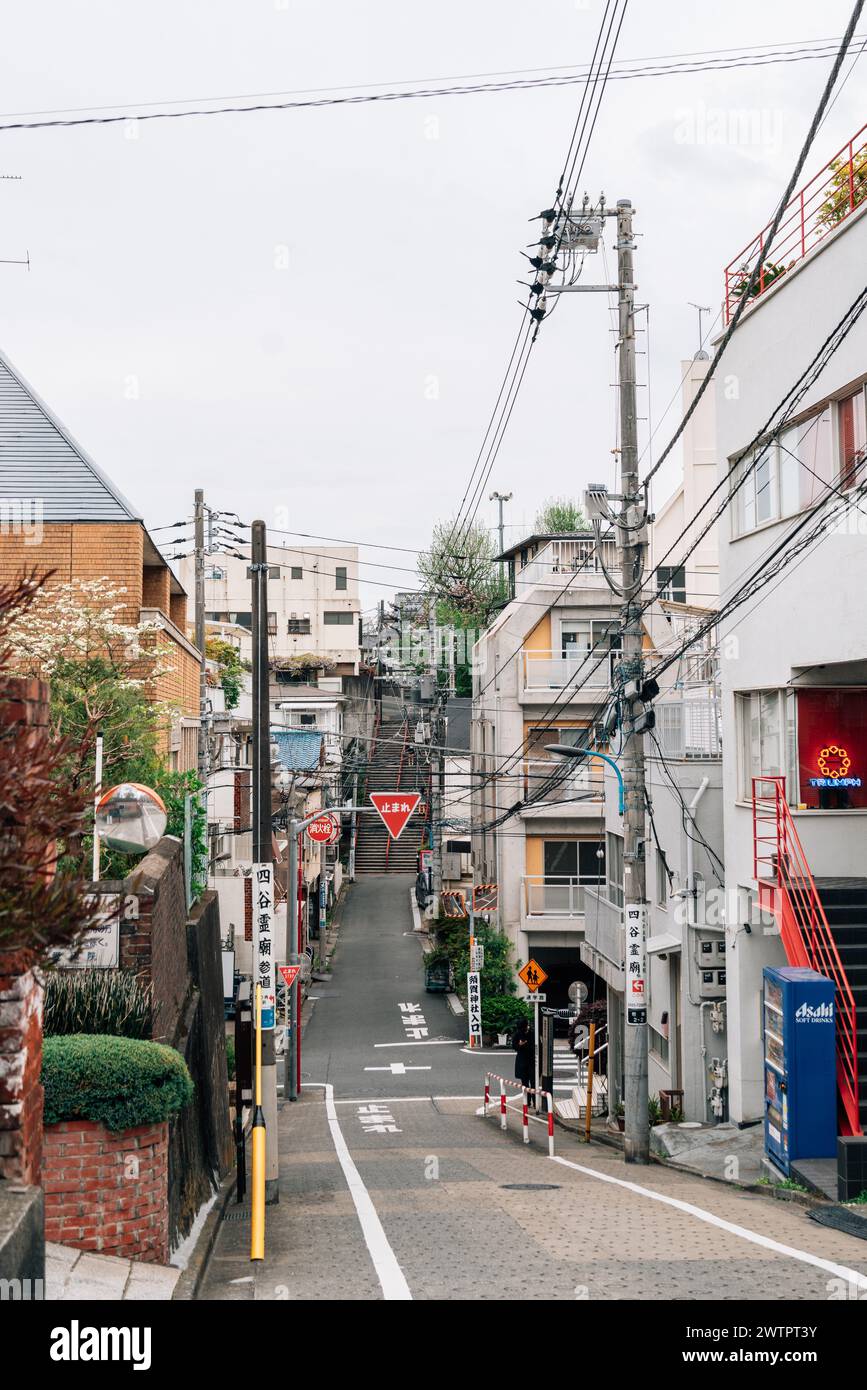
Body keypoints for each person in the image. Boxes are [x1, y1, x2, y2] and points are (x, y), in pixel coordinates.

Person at [512, 1016, 535, 1104]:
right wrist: (520, 1045)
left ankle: (535, 1101)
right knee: (525, 1083)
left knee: (533, 1083)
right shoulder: (517, 1034)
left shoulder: (532, 1034)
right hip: (522, 1061)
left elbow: (536, 1046)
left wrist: (524, 1044)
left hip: (531, 1060)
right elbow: (514, 1047)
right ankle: (527, 1101)